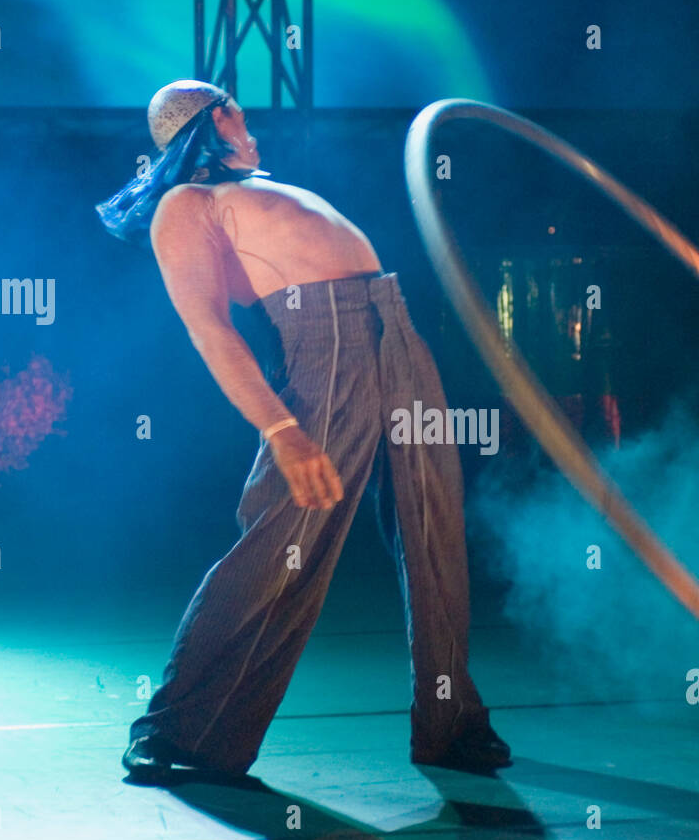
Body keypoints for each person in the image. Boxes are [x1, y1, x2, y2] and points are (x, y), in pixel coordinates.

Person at [97, 80, 510, 784]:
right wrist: (283, 431)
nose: (248, 121)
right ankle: (182, 732)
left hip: (395, 330)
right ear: (209, 122)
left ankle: (452, 726)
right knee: (280, 540)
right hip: (328, 345)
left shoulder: (256, 188)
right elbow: (209, 329)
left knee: (435, 527)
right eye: (233, 109)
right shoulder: (186, 205)